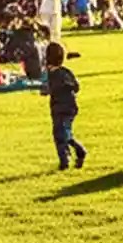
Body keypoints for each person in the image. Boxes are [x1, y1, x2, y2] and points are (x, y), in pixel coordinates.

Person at [41, 42, 86, 170]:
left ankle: (65, 159)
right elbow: (76, 87)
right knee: (64, 133)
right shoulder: (66, 72)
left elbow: (49, 89)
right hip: (69, 107)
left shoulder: (52, 75)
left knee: (60, 135)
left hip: (60, 108)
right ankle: (77, 152)